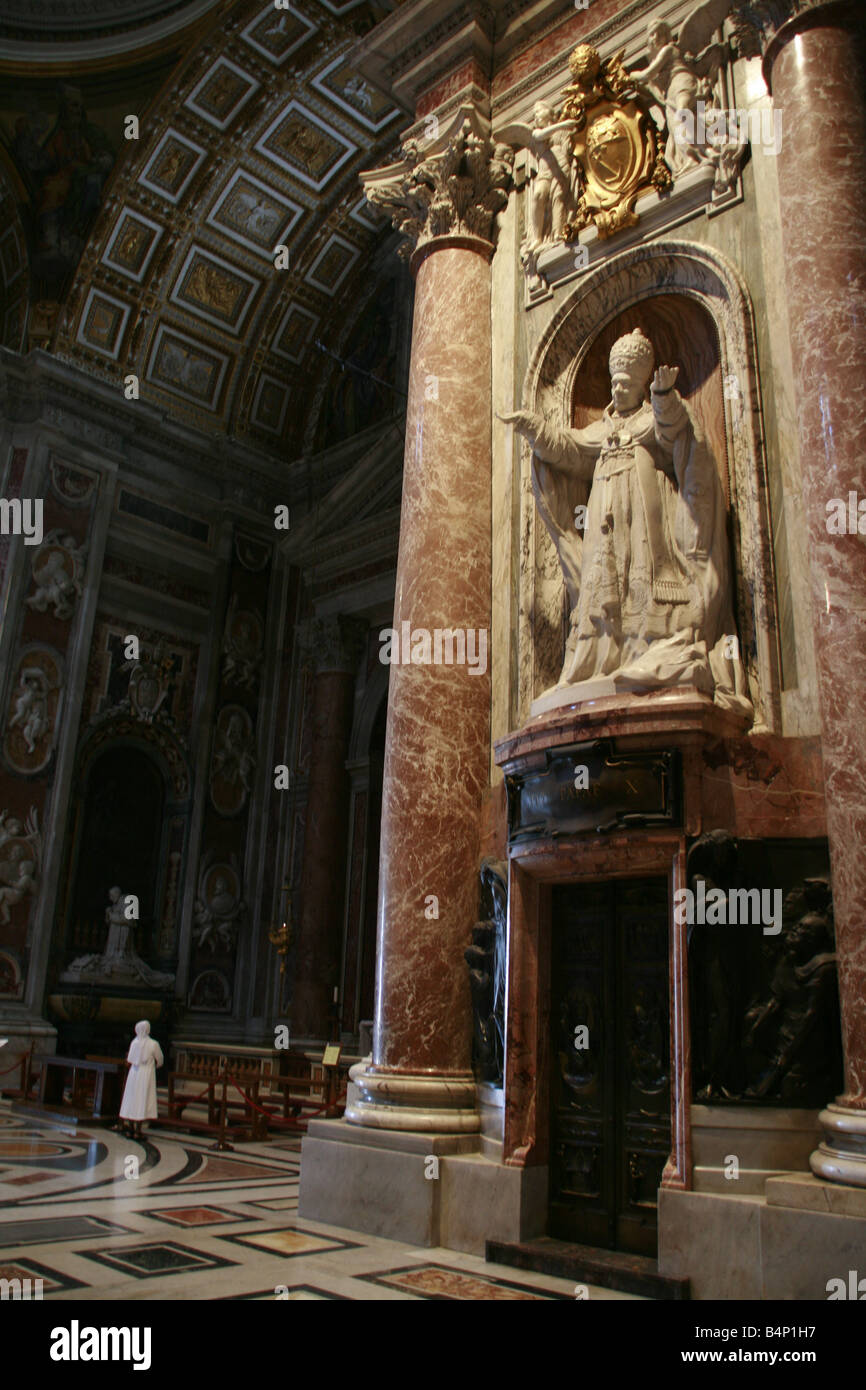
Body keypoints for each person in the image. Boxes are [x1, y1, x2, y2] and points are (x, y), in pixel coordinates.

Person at [501, 326, 751, 714]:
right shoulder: (602, 431)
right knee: (605, 587)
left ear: (640, 386)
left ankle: (646, 650)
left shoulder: (651, 419)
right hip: (604, 521)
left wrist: (665, 397)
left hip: (646, 522)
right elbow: (570, 450)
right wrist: (535, 429)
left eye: (626, 385)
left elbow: (676, 433)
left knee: (642, 583)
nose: (618, 391)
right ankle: (601, 660)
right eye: (614, 383)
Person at [118, 1020, 163, 1140]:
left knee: (132, 1099)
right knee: (142, 1099)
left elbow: (130, 1060)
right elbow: (160, 1059)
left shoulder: (134, 1042)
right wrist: (154, 1066)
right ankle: (138, 1130)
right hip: (146, 1074)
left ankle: (131, 1128)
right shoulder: (153, 1044)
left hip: (134, 1073)